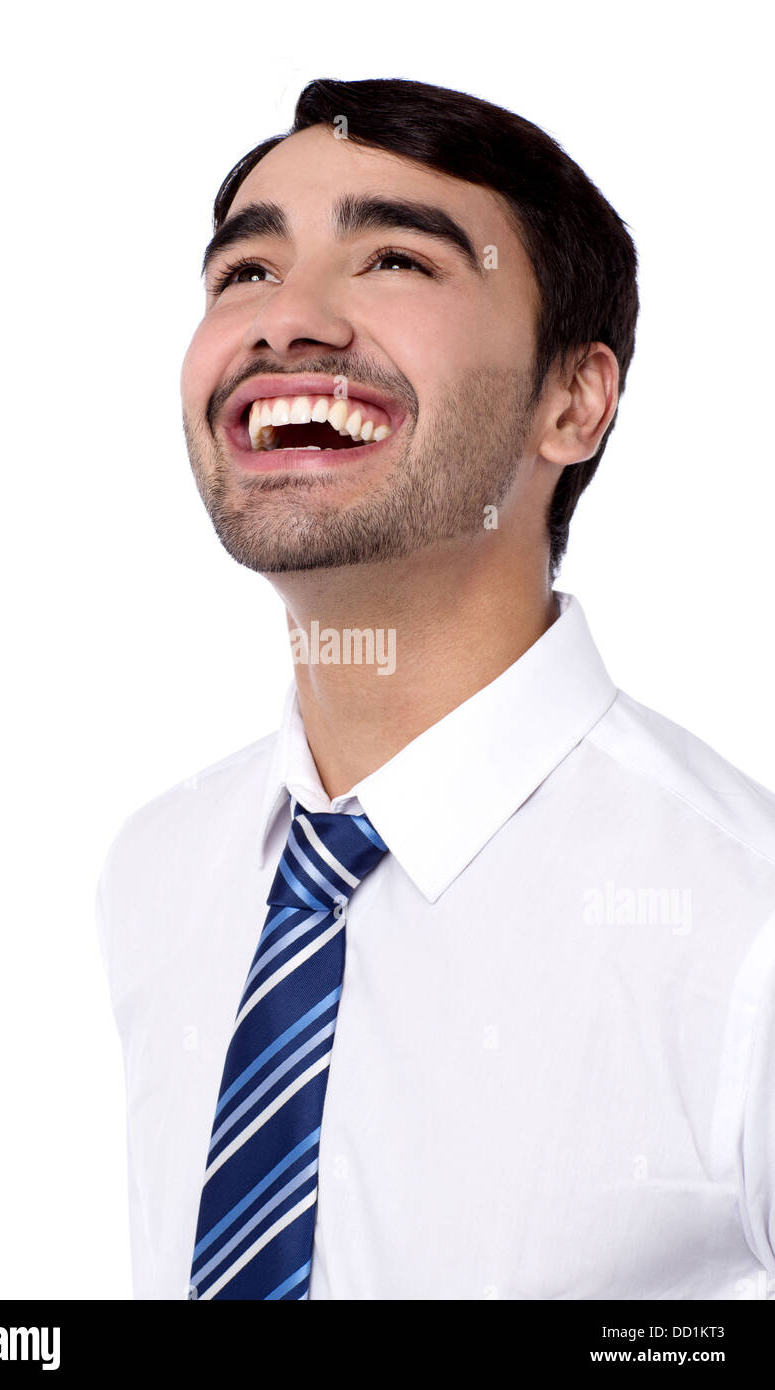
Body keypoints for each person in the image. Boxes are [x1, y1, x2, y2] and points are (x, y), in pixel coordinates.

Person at [96, 77, 775, 1301]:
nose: (285, 322)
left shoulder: (745, 928)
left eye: (394, 260)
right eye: (243, 274)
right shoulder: (157, 872)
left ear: (571, 399)